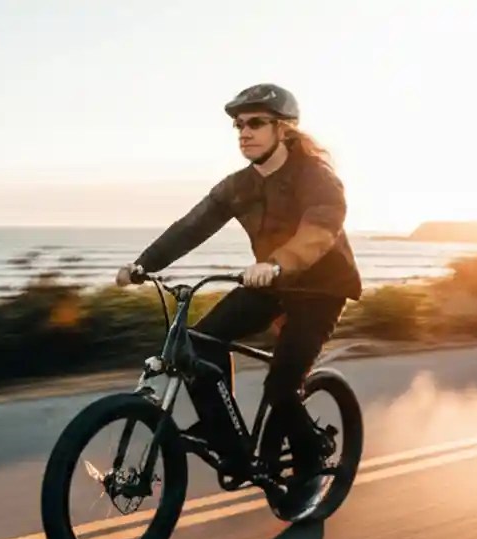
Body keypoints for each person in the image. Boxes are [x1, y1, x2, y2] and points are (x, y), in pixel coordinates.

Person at [116, 83, 362, 491]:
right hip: (271, 281)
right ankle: (225, 435)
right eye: (239, 125)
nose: (244, 132)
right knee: (198, 343)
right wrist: (144, 264)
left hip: (320, 290)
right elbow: (191, 227)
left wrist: (277, 263)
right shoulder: (238, 186)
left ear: (284, 129)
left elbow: (319, 232)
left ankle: (310, 462)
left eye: (256, 123)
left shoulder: (317, 178)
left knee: (281, 387)